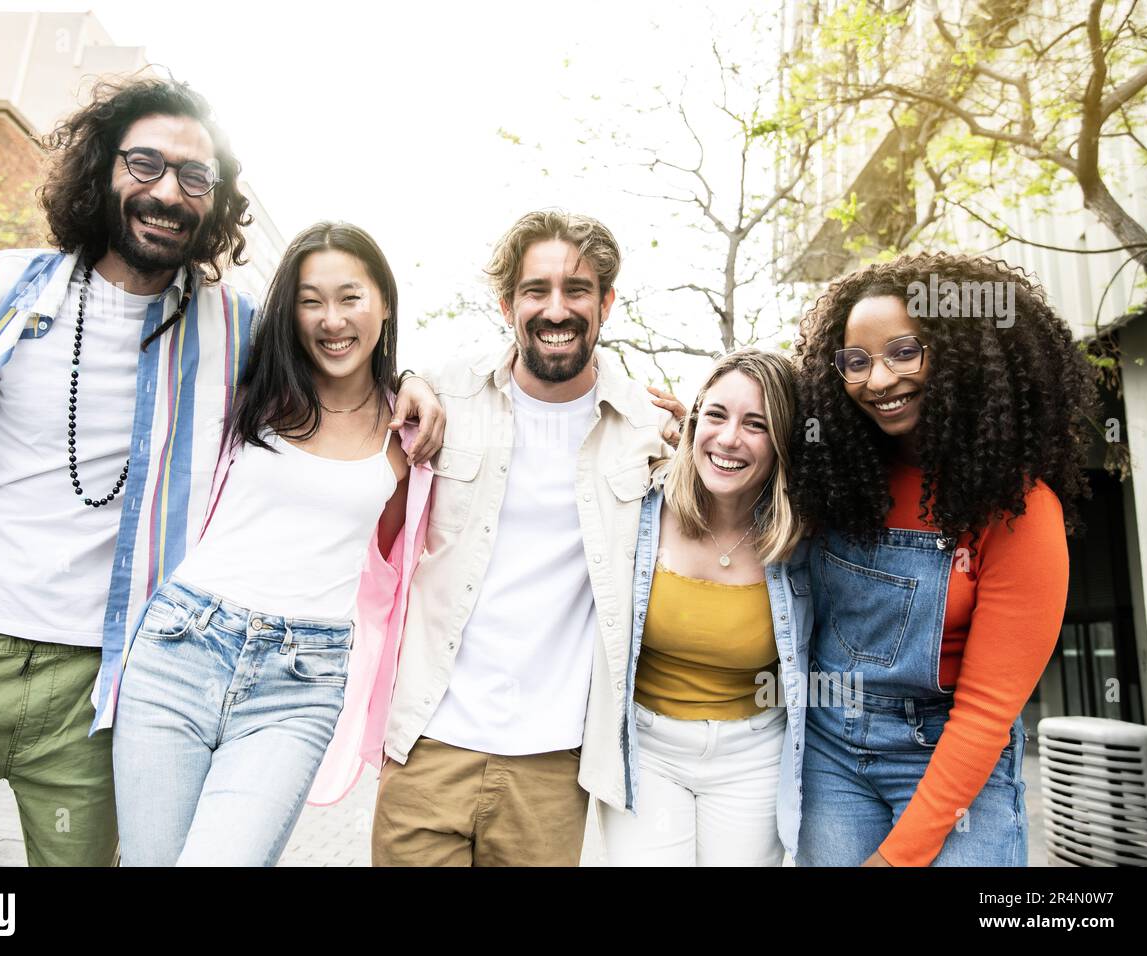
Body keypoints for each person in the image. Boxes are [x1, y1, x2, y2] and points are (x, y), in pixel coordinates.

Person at [0, 75, 256, 866]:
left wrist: (413, 384)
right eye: (144, 164)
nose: (168, 192)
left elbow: (347, 376)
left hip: (106, 683)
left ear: (214, 203)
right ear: (101, 170)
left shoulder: (240, 328)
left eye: (194, 177)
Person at [111, 221, 433, 865]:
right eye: (310, 300)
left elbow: (394, 565)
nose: (331, 319)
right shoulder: (249, 381)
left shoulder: (411, 429)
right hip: (180, 643)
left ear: (385, 303)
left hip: (301, 678)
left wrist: (418, 378)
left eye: (350, 297)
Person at [370, 209, 681, 867]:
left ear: (606, 302)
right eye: (536, 290)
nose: (556, 308)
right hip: (429, 743)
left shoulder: (644, 427)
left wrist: (701, 445)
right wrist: (407, 380)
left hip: (553, 765)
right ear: (508, 302)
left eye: (577, 290)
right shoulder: (447, 392)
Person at [790, 253, 1096, 866]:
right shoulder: (833, 480)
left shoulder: (1019, 510)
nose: (878, 380)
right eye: (857, 361)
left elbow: (985, 713)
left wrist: (895, 859)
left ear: (961, 358)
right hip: (829, 752)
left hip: (952, 762)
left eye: (905, 352)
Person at [599, 348, 812, 866]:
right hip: (647, 750)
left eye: (755, 424)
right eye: (715, 415)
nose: (728, 438)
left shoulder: (803, 538)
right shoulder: (641, 502)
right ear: (693, 421)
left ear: (782, 440)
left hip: (754, 755)